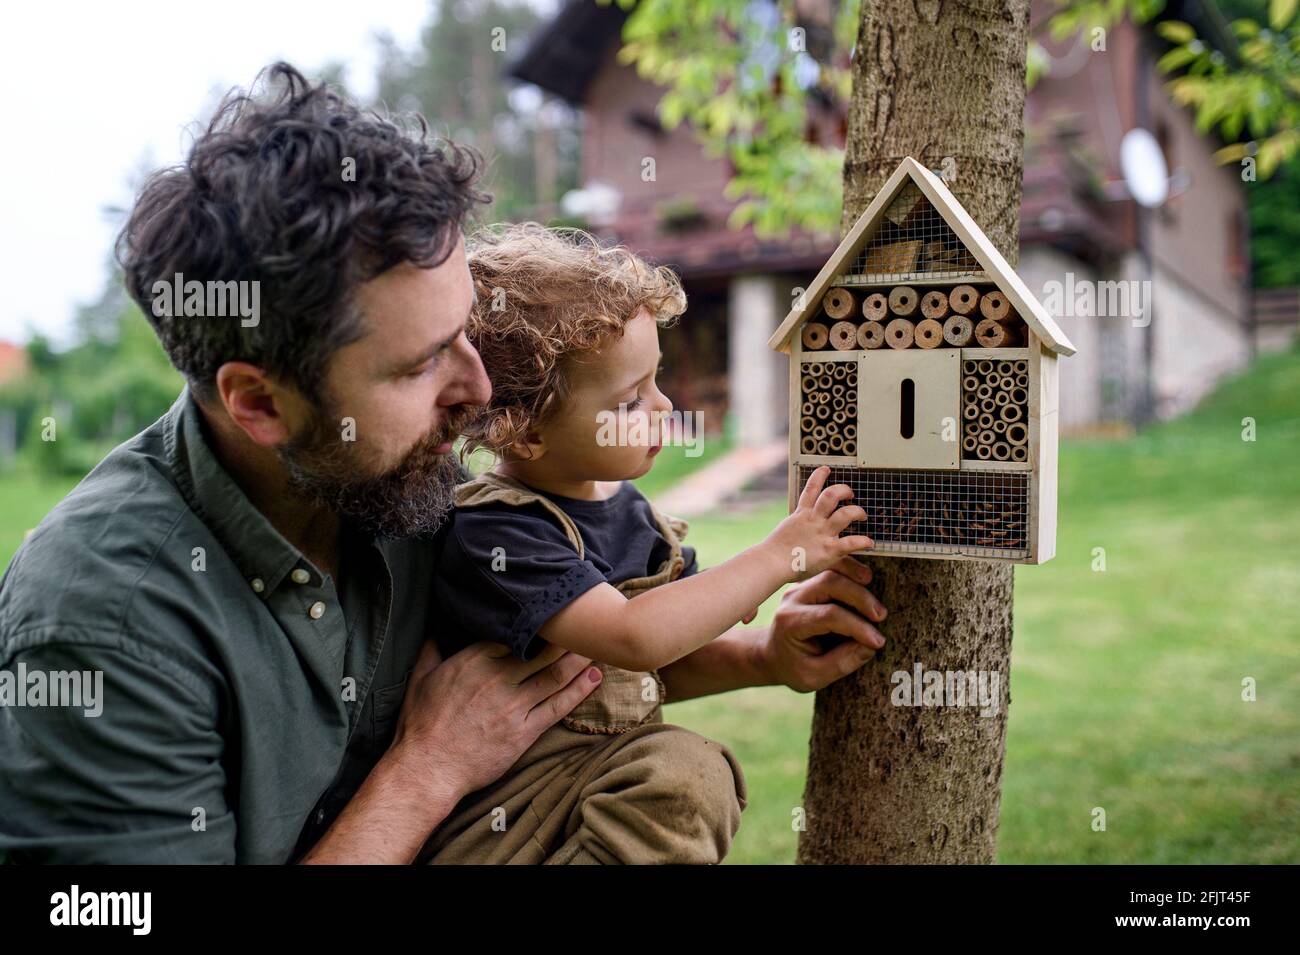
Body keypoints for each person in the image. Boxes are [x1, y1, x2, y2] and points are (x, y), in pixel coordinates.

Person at [0, 63, 888, 864]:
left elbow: (591, 666)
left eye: (468, 328)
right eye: (420, 362)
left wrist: (764, 655)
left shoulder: (424, 483)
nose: (477, 390)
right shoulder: (99, 627)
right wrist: (424, 770)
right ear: (260, 402)